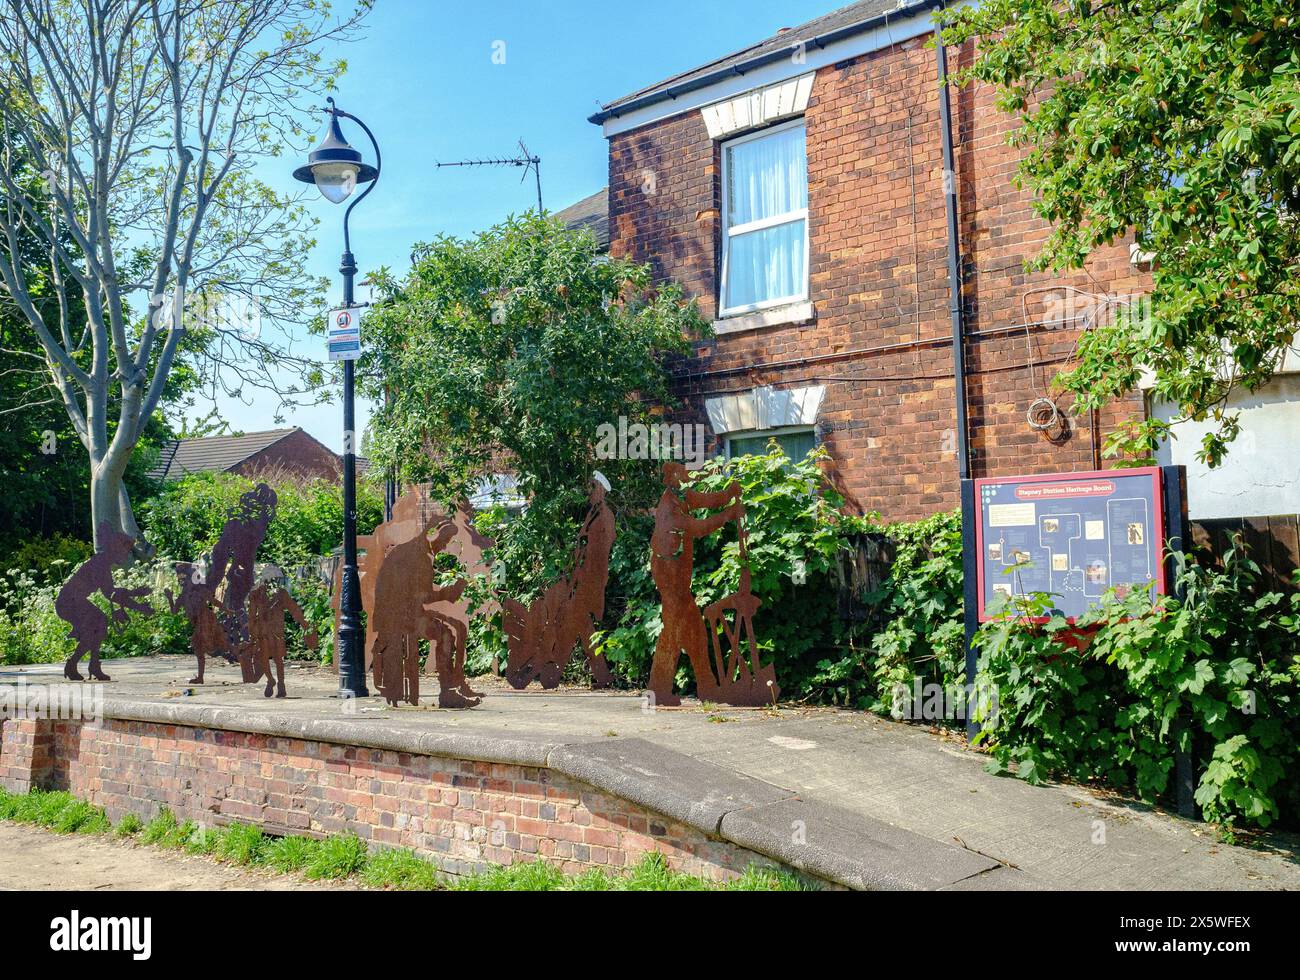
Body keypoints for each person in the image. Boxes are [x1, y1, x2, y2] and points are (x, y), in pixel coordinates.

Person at [647, 463, 743, 706]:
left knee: (696, 634)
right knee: (672, 635)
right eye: (681, 474)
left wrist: (729, 494)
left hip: (680, 584)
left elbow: (707, 500)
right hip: (670, 581)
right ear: (671, 478)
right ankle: (657, 693)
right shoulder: (669, 506)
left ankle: (707, 689)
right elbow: (698, 528)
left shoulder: (683, 497)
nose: (686, 477)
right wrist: (728, 515)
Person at [56, 522, 152, 681]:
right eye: (125, 551)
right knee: (97, 625)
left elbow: (111, 592)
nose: (127, 555)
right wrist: (138, 602)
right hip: (68, 603)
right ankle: (77, 665)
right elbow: (111, 594)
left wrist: (137, 600)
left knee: (99, 624)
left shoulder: (103, 562)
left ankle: (90, 665)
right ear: (116, 549)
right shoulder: (100, 563)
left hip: (74, 601)